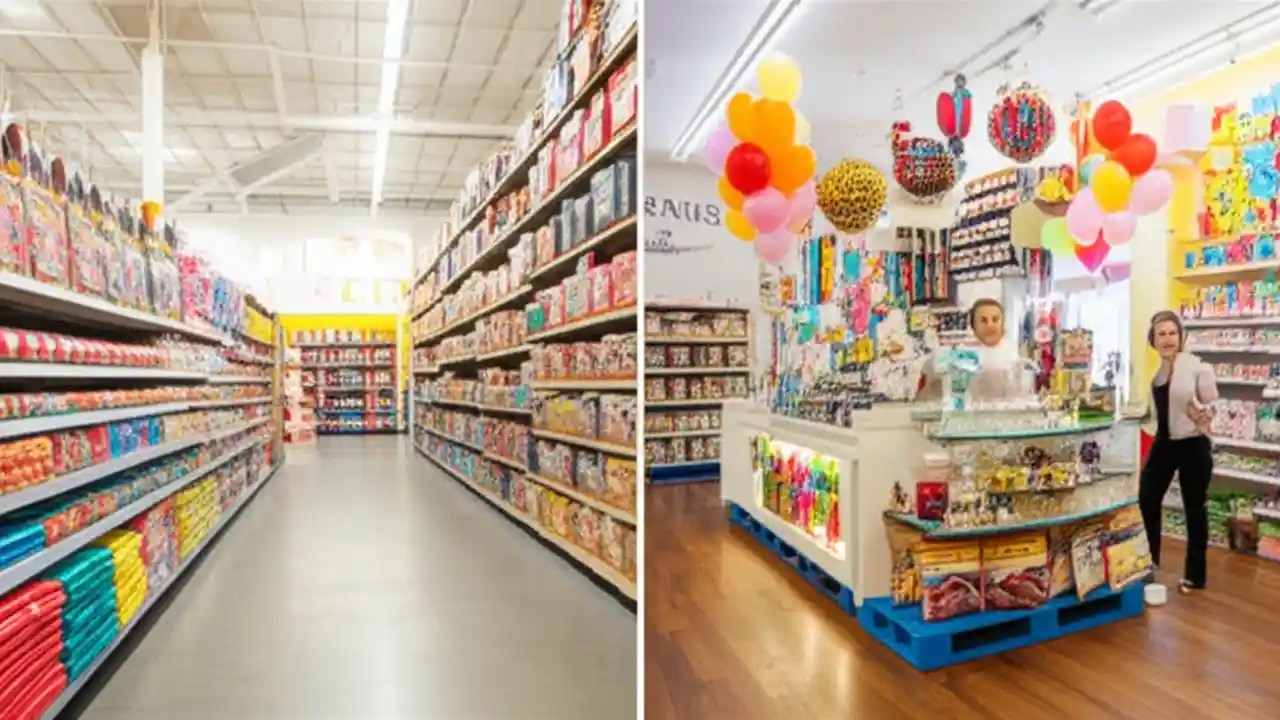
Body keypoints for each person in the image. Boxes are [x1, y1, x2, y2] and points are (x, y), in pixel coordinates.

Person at [1137, 310, 1218, 593]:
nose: (1168, 339)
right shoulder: (1157, 375)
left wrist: (1204, 415)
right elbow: (1157, 413)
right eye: (1162, 334)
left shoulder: (1196, 366)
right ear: (1153, 341)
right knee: (1147, 496)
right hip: (1165, 442)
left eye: (1173, 333)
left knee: (1194, 507)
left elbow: (1211, 403)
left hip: (1193, 443)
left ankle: (1195, 576)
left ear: (1181, 337)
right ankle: (1148, 564)